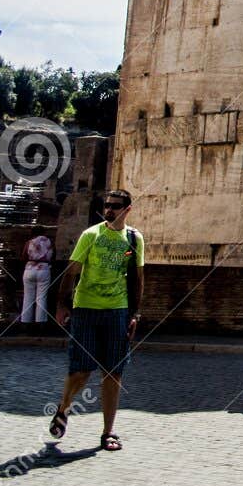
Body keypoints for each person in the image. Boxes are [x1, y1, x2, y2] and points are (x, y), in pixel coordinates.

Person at [49, 190, 143, 451]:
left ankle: (108, 432)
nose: (109, 210)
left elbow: (137, 278)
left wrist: (134, 314)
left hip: (117, 311)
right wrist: (62, 305)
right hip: (87, 309)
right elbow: (72, 271)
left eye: (115, 206)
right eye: (107, 206)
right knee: (81, 369)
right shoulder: (90, 235)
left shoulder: (135, 239)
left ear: (128, 209)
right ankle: (64, 407)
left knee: (113, 373)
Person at [20, 229, 54, 325]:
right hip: (44, 269)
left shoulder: (29, 242)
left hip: (29, 269)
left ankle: (26, 322)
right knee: (41, 297)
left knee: (28, 296)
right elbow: (53, 257)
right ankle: (40, 322)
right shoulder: (50, 242)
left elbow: (23, 256)